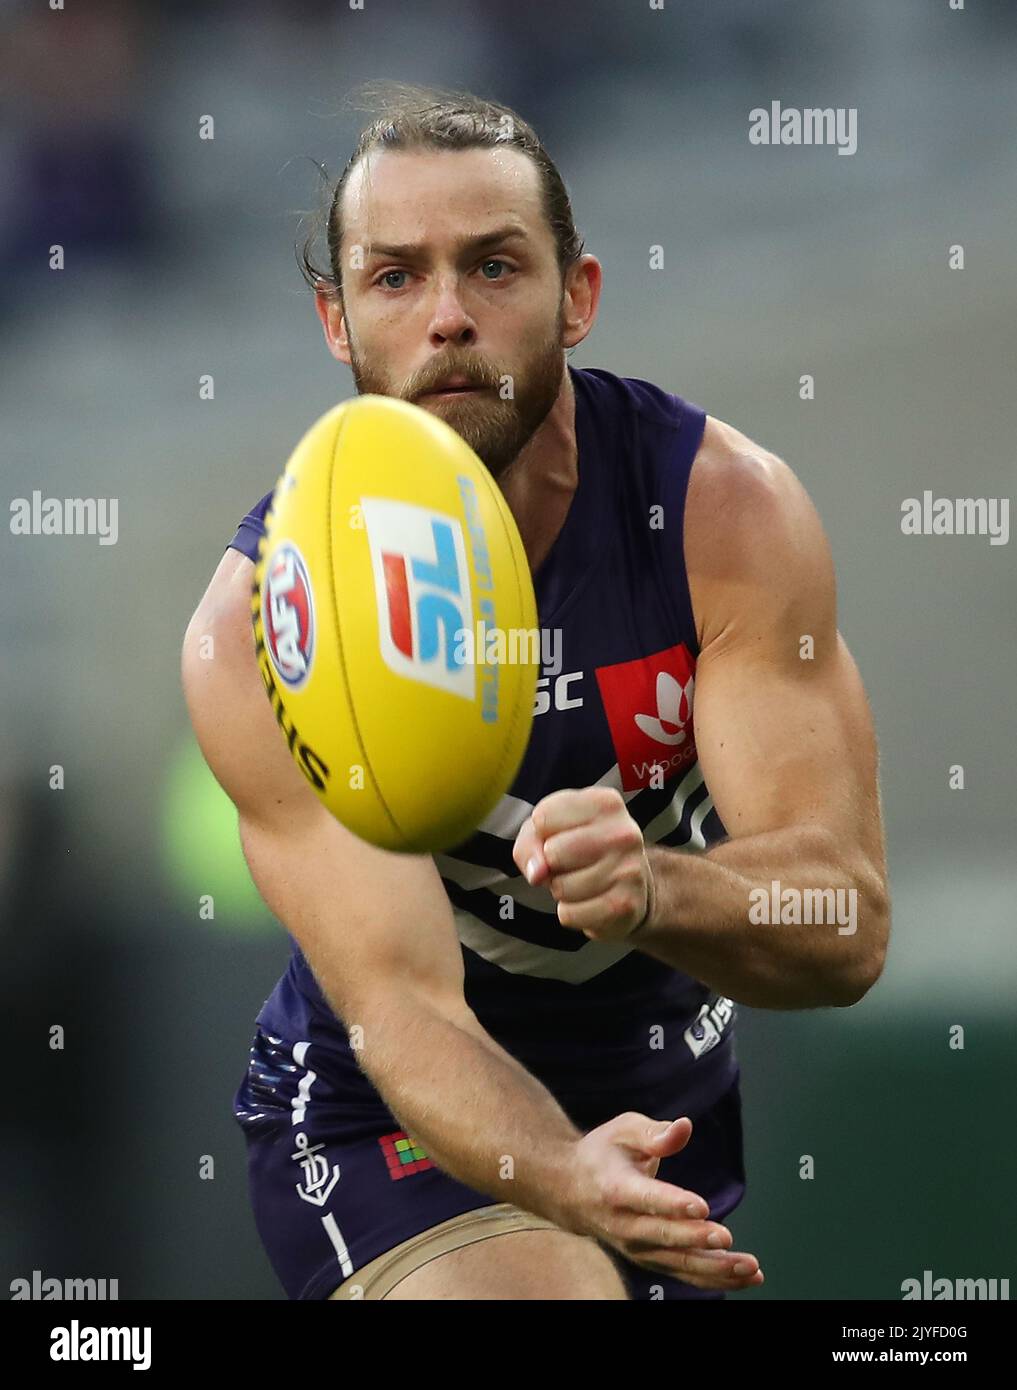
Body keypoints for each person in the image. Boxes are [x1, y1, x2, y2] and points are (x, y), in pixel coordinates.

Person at [181, 85, 889, 1301]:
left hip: (664, 1111)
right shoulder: (257, 637)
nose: (448, 318)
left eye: (494, 267)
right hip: (391, 1123)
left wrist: (656, 885)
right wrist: (558, 1171)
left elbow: (848, 928)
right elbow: (404, 1012)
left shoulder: (724, 518)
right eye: (395, 277)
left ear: (580, 295)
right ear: (336, 320)